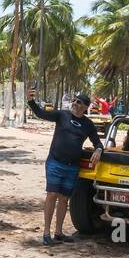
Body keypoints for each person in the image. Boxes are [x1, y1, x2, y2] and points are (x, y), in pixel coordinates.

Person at [27, 87, 103, 246]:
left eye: (79, 102)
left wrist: (99, 150)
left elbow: (97, 142)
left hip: (72, 167)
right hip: (55, 162)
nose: (75, 103)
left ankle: (58, 233)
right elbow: (41, 114)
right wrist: (30, 101)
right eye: (74, 100)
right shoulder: (62, 115)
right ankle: (46, 234)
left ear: (85, 107)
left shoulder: (88, 124)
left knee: (63, 200)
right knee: (52, 195)